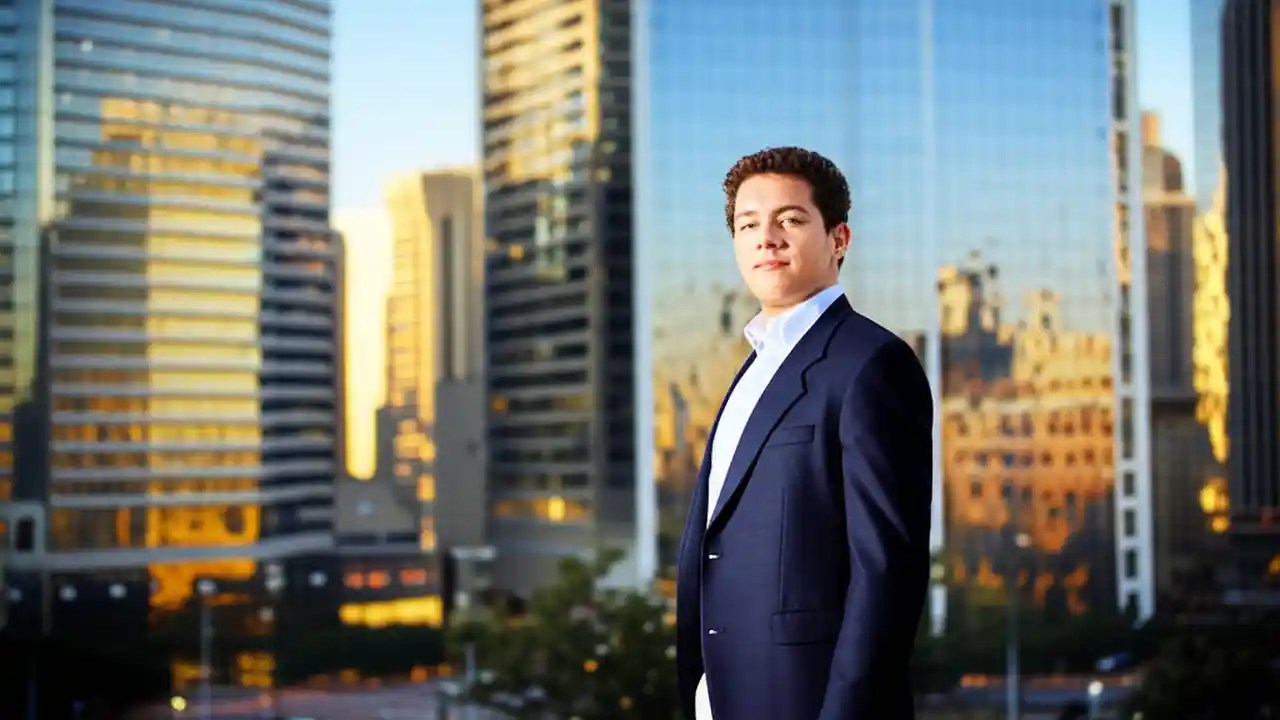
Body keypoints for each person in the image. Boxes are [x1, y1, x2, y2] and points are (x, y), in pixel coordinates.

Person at [675, 147, 935, 719]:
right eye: (748, 224)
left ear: (839, 238)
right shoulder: (750, 368)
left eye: (789, 220)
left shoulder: (872, 364)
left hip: (807, 699)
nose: (765, 238)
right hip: (723, 696)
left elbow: (886, 572)